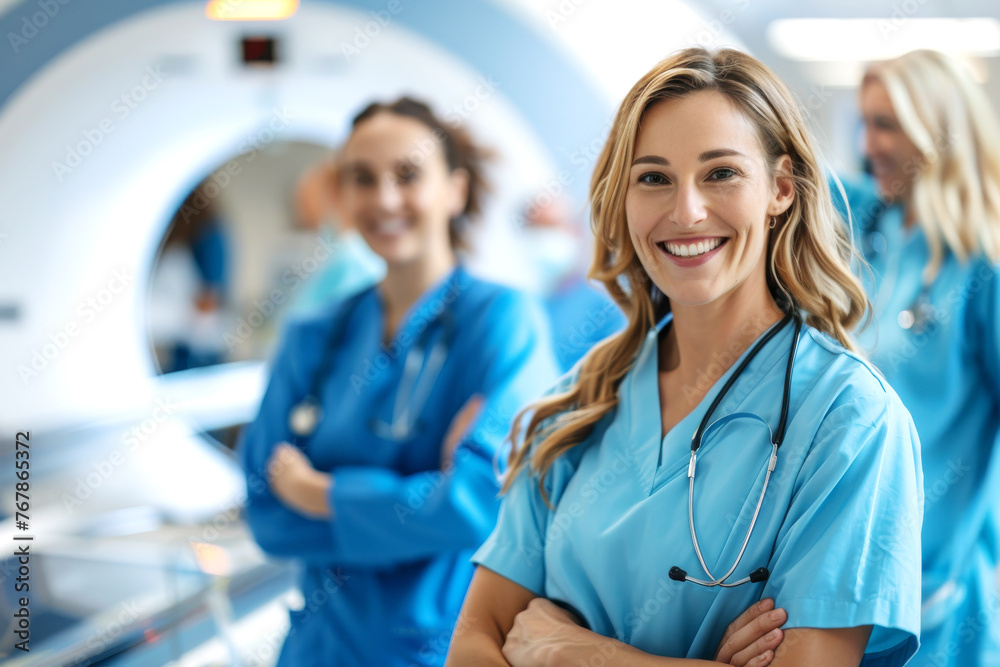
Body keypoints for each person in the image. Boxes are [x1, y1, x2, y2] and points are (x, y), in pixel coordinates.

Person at [447, 47, 923, 666]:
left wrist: (573, 653)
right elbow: (472, 645)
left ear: (781, 188)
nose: (686, 212)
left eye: (720, 173)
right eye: (654, 178)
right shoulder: (581, 403)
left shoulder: (851, 420)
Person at [239, 96, 558, 666]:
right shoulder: (313, 335)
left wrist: (322, 494)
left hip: (441, 649)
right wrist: (419, 507)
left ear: (454, 190)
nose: (385, 199)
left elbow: (482, 503)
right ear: (344, 194)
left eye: (408, 175)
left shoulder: (502, 321)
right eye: (363, 178)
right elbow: (267, 515)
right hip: (319, 650)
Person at [839, 49, 1000, 667]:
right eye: (864, 122)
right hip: (841, 573)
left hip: (935, 588)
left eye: (885, 124)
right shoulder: (869, 225)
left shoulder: (983, 264)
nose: (867, 144)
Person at [518, 196, 627, 372]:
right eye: (535, 230)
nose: (543, 239)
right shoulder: (526, 304)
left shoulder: (606, 310)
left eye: (551, 227)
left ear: (576, 231)